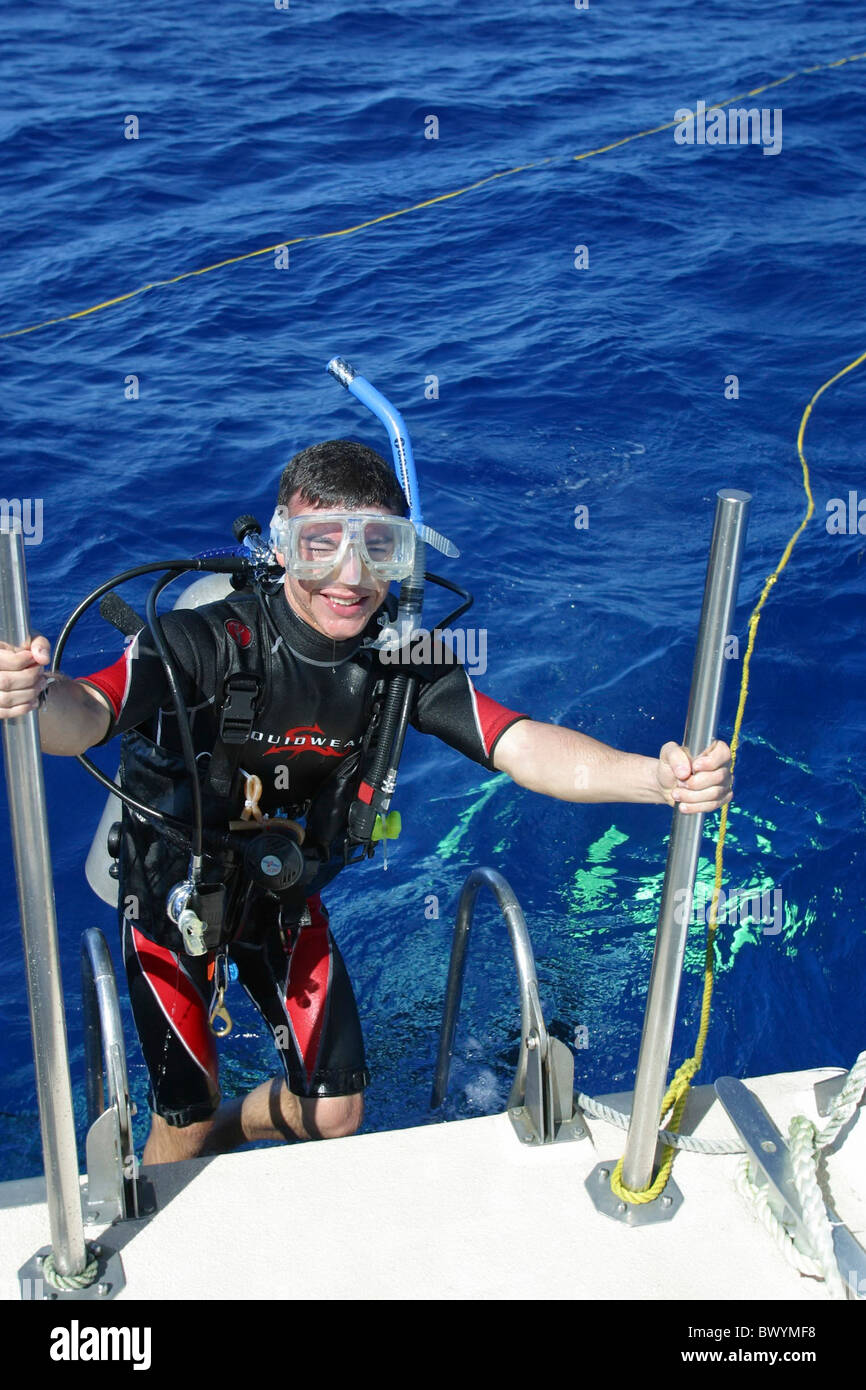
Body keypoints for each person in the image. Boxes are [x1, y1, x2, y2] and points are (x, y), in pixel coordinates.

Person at [0, 439, 732, 1165]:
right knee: (181, 1125)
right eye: (322, 545)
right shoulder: (200, 641)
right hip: (173, 898)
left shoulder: (402, 661)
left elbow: (521, 743)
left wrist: (655, 780)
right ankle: (181, 1159)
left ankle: (223, 1135)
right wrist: (35, 697)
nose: (351, 577)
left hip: (284, 894)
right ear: (283, 546)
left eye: (379, 547)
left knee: (335, 1114)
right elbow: (88, 713)